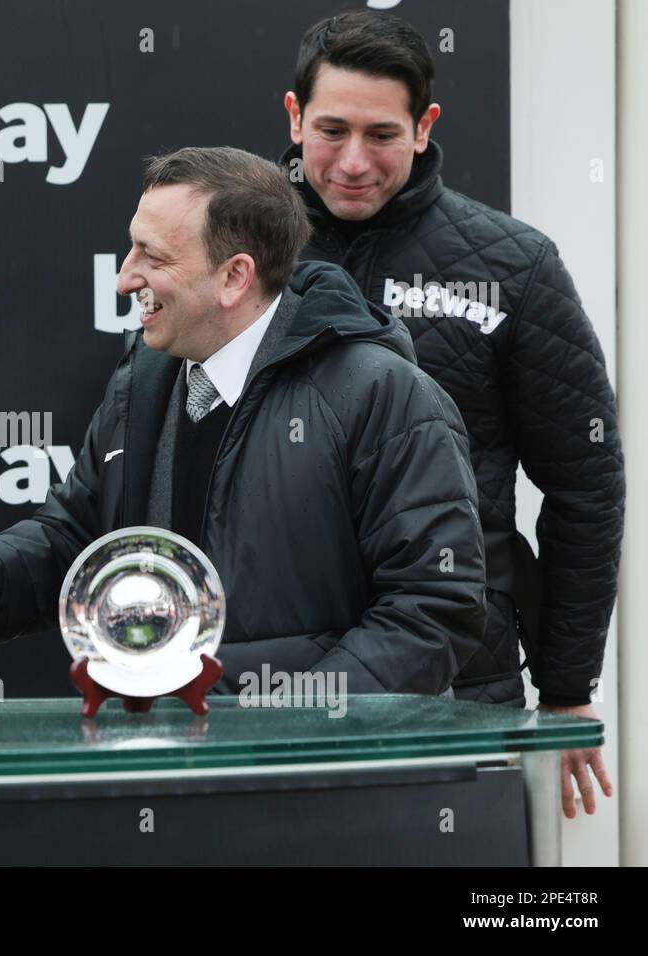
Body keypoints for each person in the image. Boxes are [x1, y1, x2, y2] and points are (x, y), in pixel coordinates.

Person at [0, 146, 486, 696]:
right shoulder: (142, 381)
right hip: (164, 765)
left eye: (152, 256)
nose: (124, 277)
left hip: (312, 787)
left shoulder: (382, 395)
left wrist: (291, 720)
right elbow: (80, 542)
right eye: (132, 249)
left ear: (235, 276)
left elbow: (430, 613)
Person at [280, 10, 623, 814]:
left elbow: (587, 484)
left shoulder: (514, 265)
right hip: (264, 686)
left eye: (383, 134)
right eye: (330, 130)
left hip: (460, 686)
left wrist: (568, 688)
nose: (354, 162)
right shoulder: (234, 254)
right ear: (293, 117)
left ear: (425, 127)